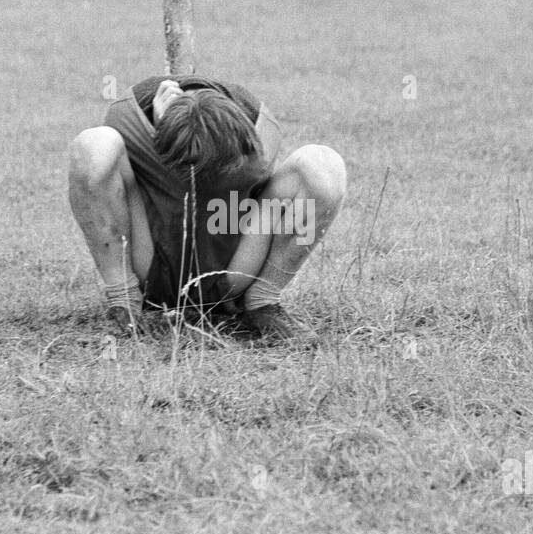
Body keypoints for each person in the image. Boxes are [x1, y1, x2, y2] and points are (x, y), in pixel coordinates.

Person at [68, 74, 346, 344]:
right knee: (94, 145)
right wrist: (163, 128)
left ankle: (263, 301)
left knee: (322, 165)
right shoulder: (127, 117)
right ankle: (123, 300)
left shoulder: (261, 131)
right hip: (149, 263)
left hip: (232, 269)